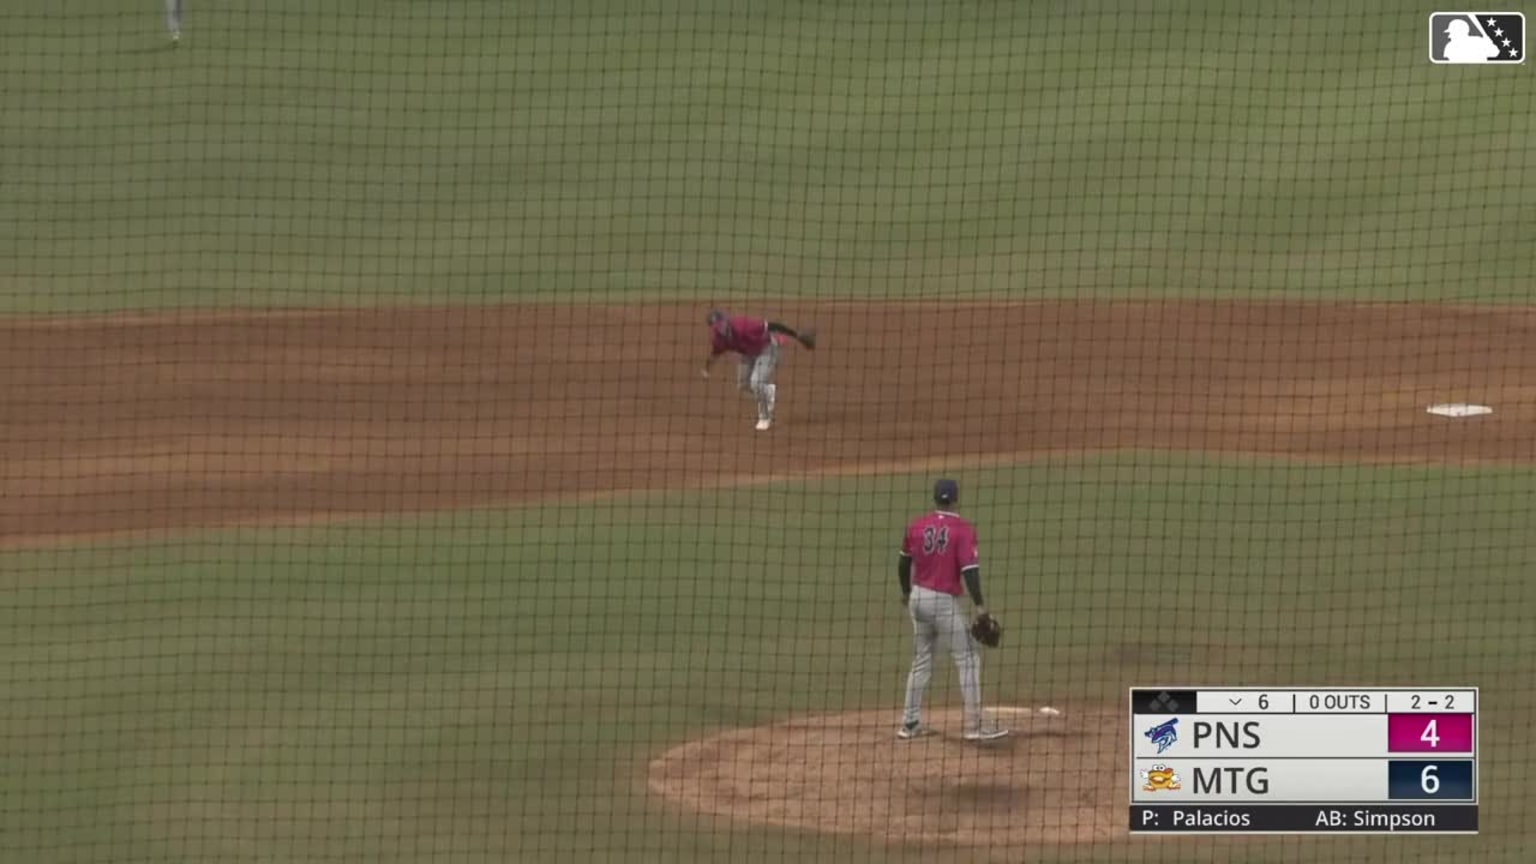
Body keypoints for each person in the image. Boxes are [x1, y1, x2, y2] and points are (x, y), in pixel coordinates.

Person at [896, 479, 1010, 742]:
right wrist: (980, 607)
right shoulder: (962, 530)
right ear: (956, 499)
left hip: (918, 597)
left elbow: (903, 563)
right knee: (968, 658)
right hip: (942, 602)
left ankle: (909, 723)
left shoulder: (917, 525)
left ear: (935, 498)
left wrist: (906, 592)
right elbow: (970, 573)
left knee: (922, 660)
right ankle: (974, 725)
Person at [699, 310, 814, 431]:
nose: (720, 327)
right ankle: (768, 392)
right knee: (743, 385)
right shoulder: (719, 339)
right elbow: (715, 354)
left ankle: (764, 418)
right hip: (748, 354)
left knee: (756, 382)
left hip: (768, 349)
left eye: (721, 324)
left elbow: (773, 325)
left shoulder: (743, 325)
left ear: (726, 321)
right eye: (717, 326)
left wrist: (796, 335)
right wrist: (706, 370)